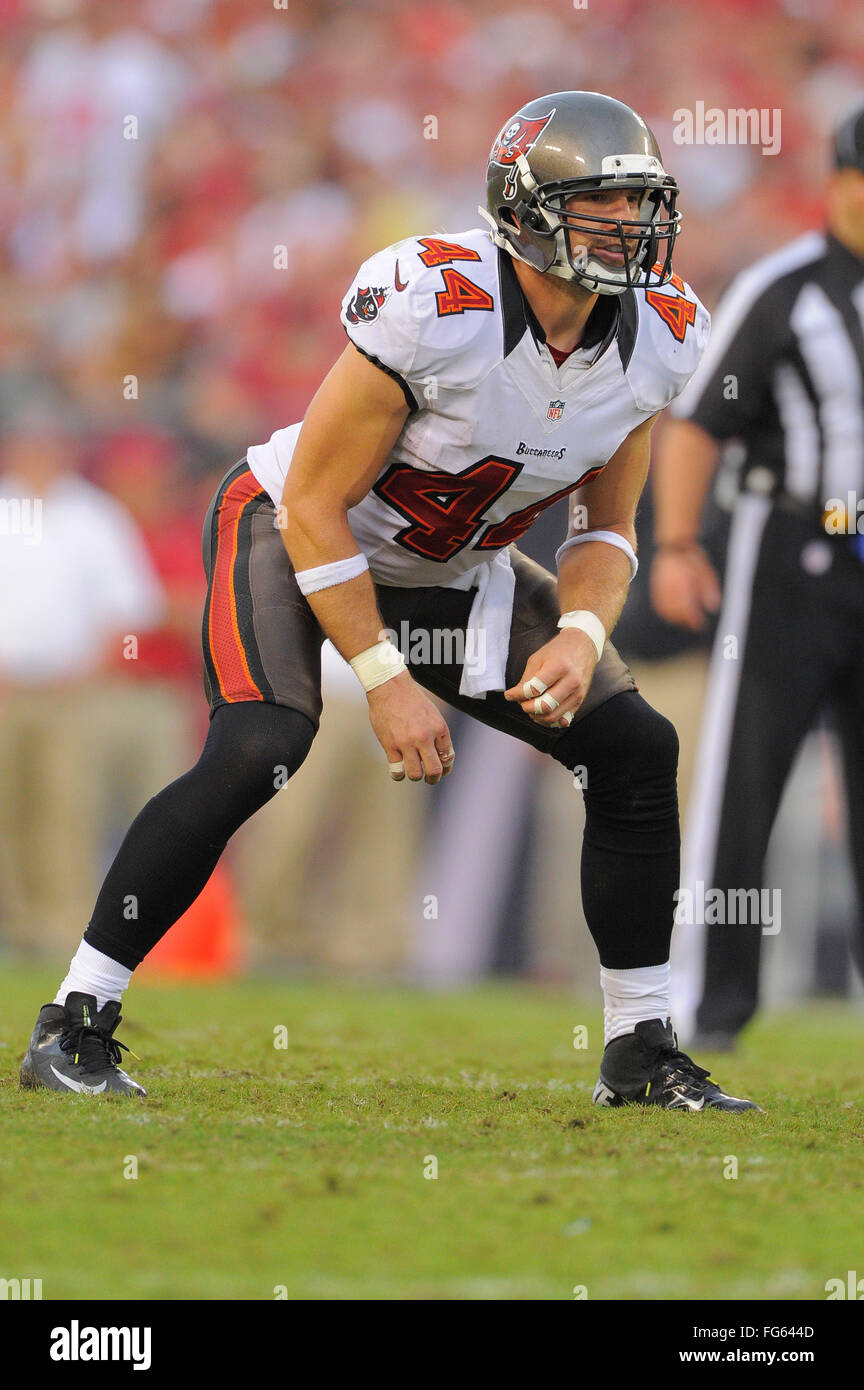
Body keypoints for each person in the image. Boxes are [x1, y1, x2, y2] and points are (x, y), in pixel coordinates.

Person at [21, 91, 758, 1112]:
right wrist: (384, 679)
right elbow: (317, 503)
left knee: (634, 748)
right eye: (603, 205)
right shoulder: (435, 301)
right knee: (260, 744)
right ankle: (76, 1019)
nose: (631, 229)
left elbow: (604, 529)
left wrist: (584, 632)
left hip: (450, 573)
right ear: (527, 210)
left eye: (640, 204)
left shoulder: (657, 337)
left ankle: (639, 1047)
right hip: (295, 533)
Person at [650, 106, 864, 1049]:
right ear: (842, 184)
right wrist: (679, 545)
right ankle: (714, 1004)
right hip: (788, 557)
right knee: (745, 786)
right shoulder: (785, 288)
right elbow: (696, 422)